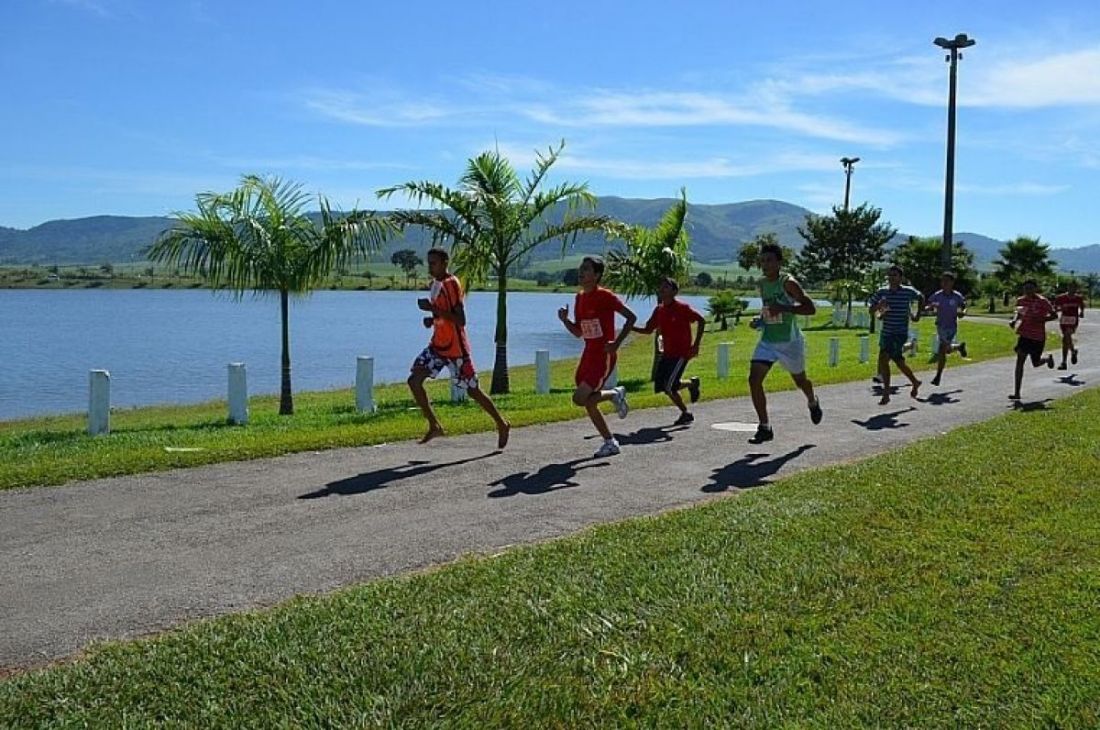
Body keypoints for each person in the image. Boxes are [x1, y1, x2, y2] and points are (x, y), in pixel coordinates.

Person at [407, 248, 510, 448]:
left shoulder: (451, 284)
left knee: (473, 390)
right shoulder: (435, 285)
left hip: (456, 350)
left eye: (434, 263)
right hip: (438, 346)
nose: (430, 267)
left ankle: (501, 423)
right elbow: (443, 315)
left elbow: (460, 320)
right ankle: (434, 425)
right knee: (414, 380)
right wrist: (432, 320)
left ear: (445, 263)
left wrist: (432, 309)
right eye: (429, 263)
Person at [558, 256, 637, 457]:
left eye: (586, 269)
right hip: (588, 355)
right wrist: (565, 320)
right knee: (588, 401)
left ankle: (614, 394)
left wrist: (616, 343)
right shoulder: (579, 298)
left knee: (580, 398)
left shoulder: (605, 296)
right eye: (581, 268)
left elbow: (631, 317)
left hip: (604, 355)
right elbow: (579, 332)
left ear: (597, 275)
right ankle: (610, 442)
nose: (581, 272)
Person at [746, 242, 822, 444]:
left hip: (790, 342)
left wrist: (784, 308)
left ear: (779, 262)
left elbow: (810, 309)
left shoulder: (788, 283)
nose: (765, 264)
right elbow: (769, 310)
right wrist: (759, 321)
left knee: (800, 381)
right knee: (754, 380)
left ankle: (812, 401)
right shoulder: (762, 284)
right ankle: (765, 427)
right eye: (762, 261)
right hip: (768, 341)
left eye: (769, 260)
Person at [632, 277, 705, 425]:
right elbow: (648, 330)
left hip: (681, 353)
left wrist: (696, 344)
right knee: (663, 386)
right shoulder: (659, 310)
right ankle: (691, 385)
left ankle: (686, 412)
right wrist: (630, 327)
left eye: (666, 287)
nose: (662, 289)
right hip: (667, 353)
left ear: (674, 291)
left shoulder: (682, 308)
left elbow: (701, 320)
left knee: (669, 386)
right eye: (661, 287)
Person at [867, 265, 924, 405]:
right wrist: (879, 306)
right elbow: (871, 309)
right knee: (898, 361)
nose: (891, 278)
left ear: (900, 277)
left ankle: (886, 393)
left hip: (899, 333)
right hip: (886, 332)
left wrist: (917, 315)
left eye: (895, 275)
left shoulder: (908, 291)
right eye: (890, 275)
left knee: (884, 357)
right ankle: (915, 382)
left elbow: (921, 297)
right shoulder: (882, 291)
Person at [1008, 278, 1056, 399]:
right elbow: (1019, 313)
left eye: (1030, 288)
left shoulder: (1043, 301)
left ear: (1035, 289)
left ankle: (1047, 359)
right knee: (1020, 360)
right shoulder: (1021, 300)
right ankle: (1017, 392)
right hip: (1024, 334)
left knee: (1036, 363)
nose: (1028, 291)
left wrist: (1041, 319)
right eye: (1026, 288)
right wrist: (1014, 321)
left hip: (1038, 336)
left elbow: (1054, 315)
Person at [923, 271, 970, 387]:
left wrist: (963, 312)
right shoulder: (937, 295)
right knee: (943, 350)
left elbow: (964, 306)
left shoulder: (957, 296)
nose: (944, 283)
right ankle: (938, 376)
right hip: (941, 326)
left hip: (952, 326)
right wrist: (930, 307)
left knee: (944, 350)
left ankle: (957, 348)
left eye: (947, 281)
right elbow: (928, 305)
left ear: (952, 282)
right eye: (942, 281)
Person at [1053, 280, 1085, 369]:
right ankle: (1071, 353)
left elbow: (1082, 306)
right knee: (1065, 340)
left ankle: (1064, 361)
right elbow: (1055, 308)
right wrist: (1061, 308)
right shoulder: (1061, 297)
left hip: (1073, 320)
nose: (1072, 289)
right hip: (1064, 320)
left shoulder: (1078, 298)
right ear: (1068, 288)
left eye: (1074, 287)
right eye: (1071, 287)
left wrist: (1082, 312)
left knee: (1067, 335)